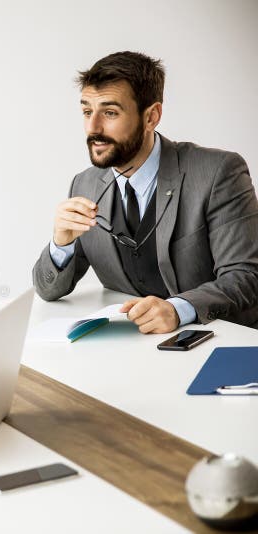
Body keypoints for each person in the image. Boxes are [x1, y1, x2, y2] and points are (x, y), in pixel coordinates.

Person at [32, 51, 258, 333]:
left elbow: (246, 276)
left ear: (151, 116)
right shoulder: (84, 184)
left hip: (219, 339)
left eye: (110, 112)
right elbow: (48, 290)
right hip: (135, 349)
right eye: (87, 111)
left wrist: (178, 309)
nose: (93, 128)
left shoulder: (218, 172)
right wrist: (60, 245)